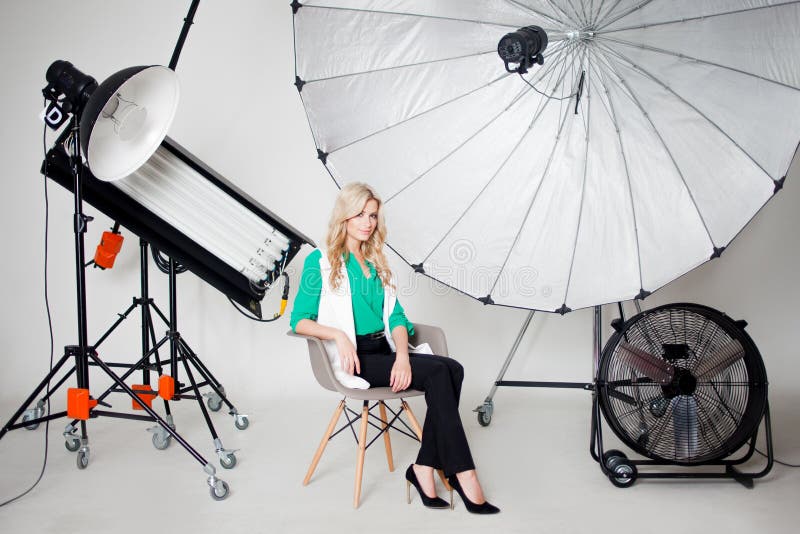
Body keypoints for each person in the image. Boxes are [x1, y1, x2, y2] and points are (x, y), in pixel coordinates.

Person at [290, 182, 499, 514]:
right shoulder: (321, 261)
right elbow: (299, 321)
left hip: (384, 351)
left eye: (372, 215)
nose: (367, 222)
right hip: (355, 358)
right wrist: (338, 336)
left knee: (453, 369)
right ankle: (464, 473)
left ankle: (423, 467)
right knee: (439, 373)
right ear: (344, 216)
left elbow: (398, 318)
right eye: (360, 214)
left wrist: (402, 356)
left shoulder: (375, 262)